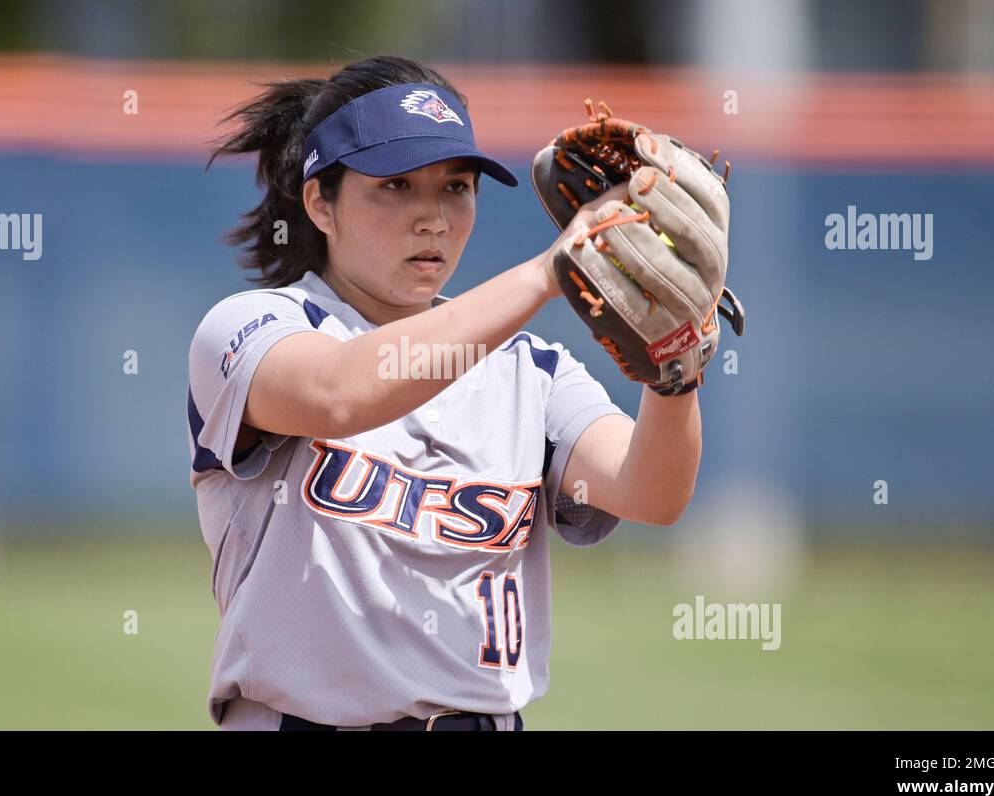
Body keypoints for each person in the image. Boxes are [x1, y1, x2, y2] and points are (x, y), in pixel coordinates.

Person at [187, 55, 702, 730]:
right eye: (395, 185)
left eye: (456, 186)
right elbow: (342, 394)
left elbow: (652, 492)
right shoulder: (253, 329)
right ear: (320, 202)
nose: (431, 217)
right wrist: (552, 272)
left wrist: (674, 370)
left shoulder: (531, 369)